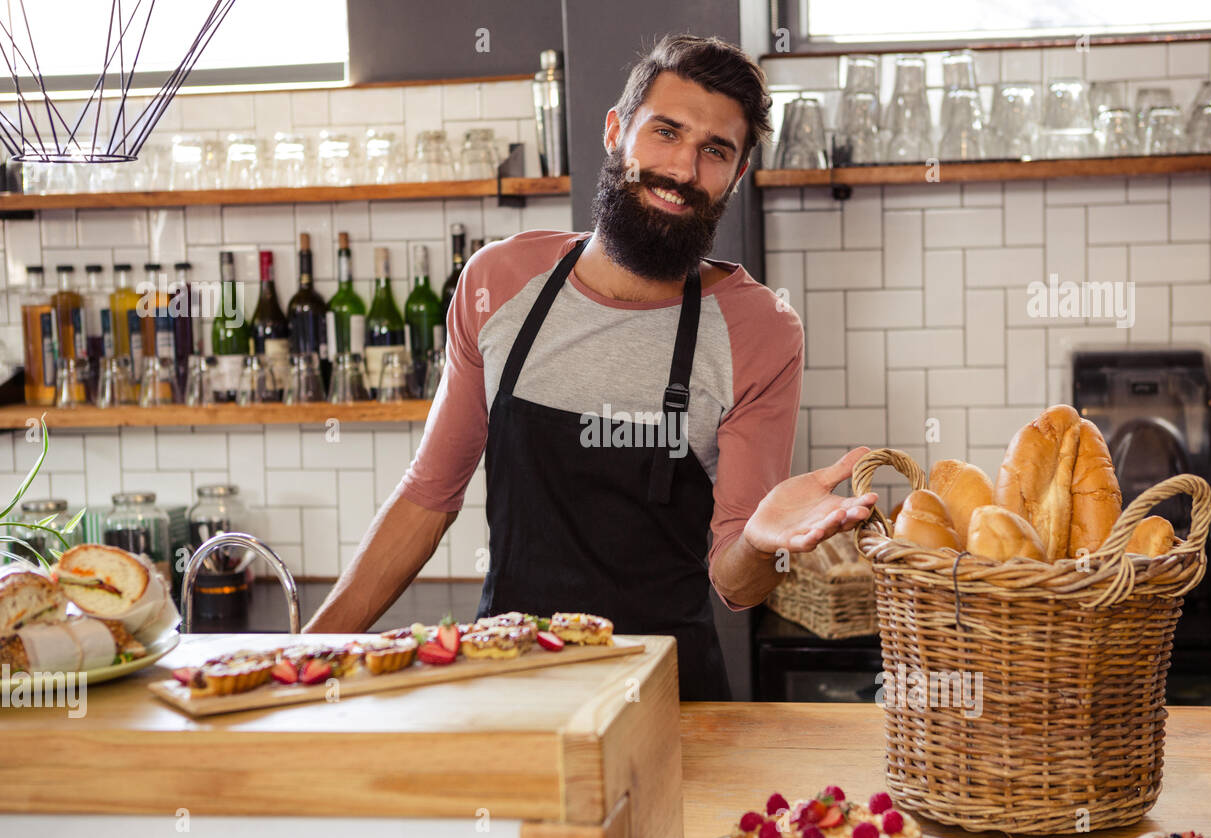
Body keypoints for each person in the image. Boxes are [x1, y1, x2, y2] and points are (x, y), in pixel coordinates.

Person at [306, 33, 878, 699]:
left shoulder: (761, 330)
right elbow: (427, 499)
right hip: (514, 691)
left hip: (673, 705)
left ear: (737, 174)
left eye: (714, 151)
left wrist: (761, 541)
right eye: (665, 132)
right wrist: (305, 655)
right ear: (616, 131)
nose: (682, 169)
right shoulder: (500, 281)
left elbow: (735, 583)